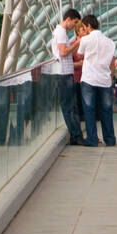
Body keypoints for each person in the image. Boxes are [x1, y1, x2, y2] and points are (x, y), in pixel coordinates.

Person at [66, 13, 117, 147]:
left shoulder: (86, 40)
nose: (84, 29)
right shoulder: (111, 43)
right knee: (106, 110)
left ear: (88, 25)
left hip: (89, 79)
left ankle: (92, 139)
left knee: (89, 109)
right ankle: (110, 139)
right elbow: (111, 63)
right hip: (105, 79)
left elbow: (79, 54)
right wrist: (111, 76)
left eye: (84, 26)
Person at [49, 9, 84, 146]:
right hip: (64, 74)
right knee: (70, 106)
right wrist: (76, 44)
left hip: (65, 73)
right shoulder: (61, 33)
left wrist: (75, 45)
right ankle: (76, 135)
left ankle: (76, 135)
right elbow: (63, 52)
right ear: (68, 19)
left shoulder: (60, 32)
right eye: (74, 23)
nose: (74, 26)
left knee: (71, 106)